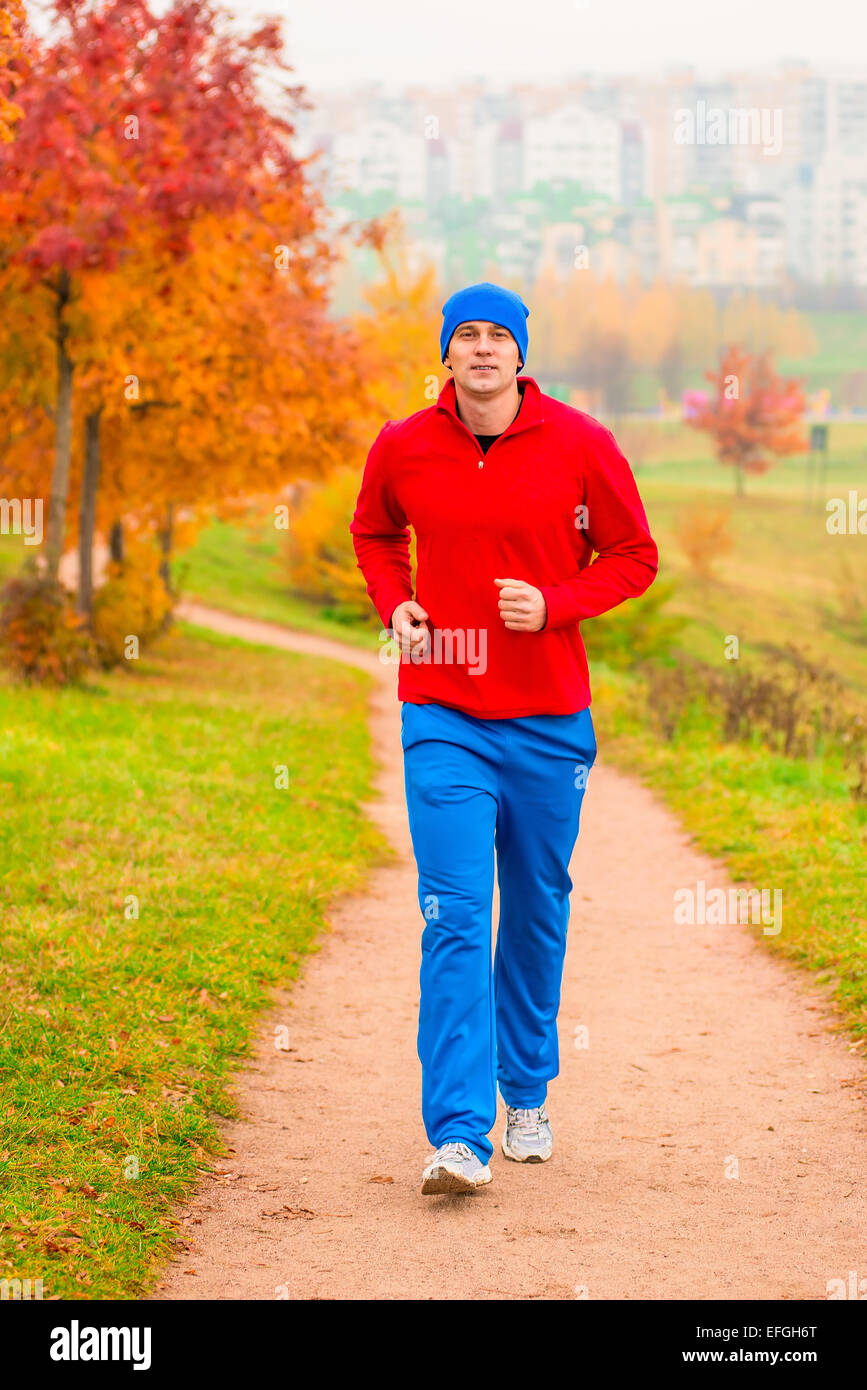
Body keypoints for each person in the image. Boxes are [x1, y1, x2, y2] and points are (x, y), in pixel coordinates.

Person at [349, 281, 658, 1194]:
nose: (481, 348)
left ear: (521, 355)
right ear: (445, 354)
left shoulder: (580, 445)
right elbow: (373, 532)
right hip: (441, 708)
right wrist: (394, 601)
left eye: (498, 336)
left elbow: (633, 556)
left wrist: (557, 604)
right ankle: (456, 1132)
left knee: (532, 908)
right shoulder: (403, 444)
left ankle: (525, 1089)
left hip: (548, 723)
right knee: (452, 916)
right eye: (465, 336)